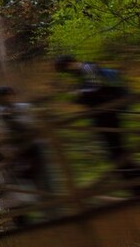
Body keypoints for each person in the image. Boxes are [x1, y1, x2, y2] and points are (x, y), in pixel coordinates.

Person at [55, 56, 139, 192]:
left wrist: (77, 93)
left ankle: (135, 185)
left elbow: (96, 88)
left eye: (65, 70)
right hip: (104, 115)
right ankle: (133, 184)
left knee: (116, 151)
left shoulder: (87, 68)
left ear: (69, 63)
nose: (67, 73)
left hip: (108, 114)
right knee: (116, 151)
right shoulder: (84, 74)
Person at [0, 85, 54, 199]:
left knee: (42, 175)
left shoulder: (24, 107)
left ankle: (47, 196)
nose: (6, 100)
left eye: (8, 96)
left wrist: (12, 118)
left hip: (31, 145)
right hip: (14, 147)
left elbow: (30, 125)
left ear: (13, 96)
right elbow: (2, 131)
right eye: (2, 99)